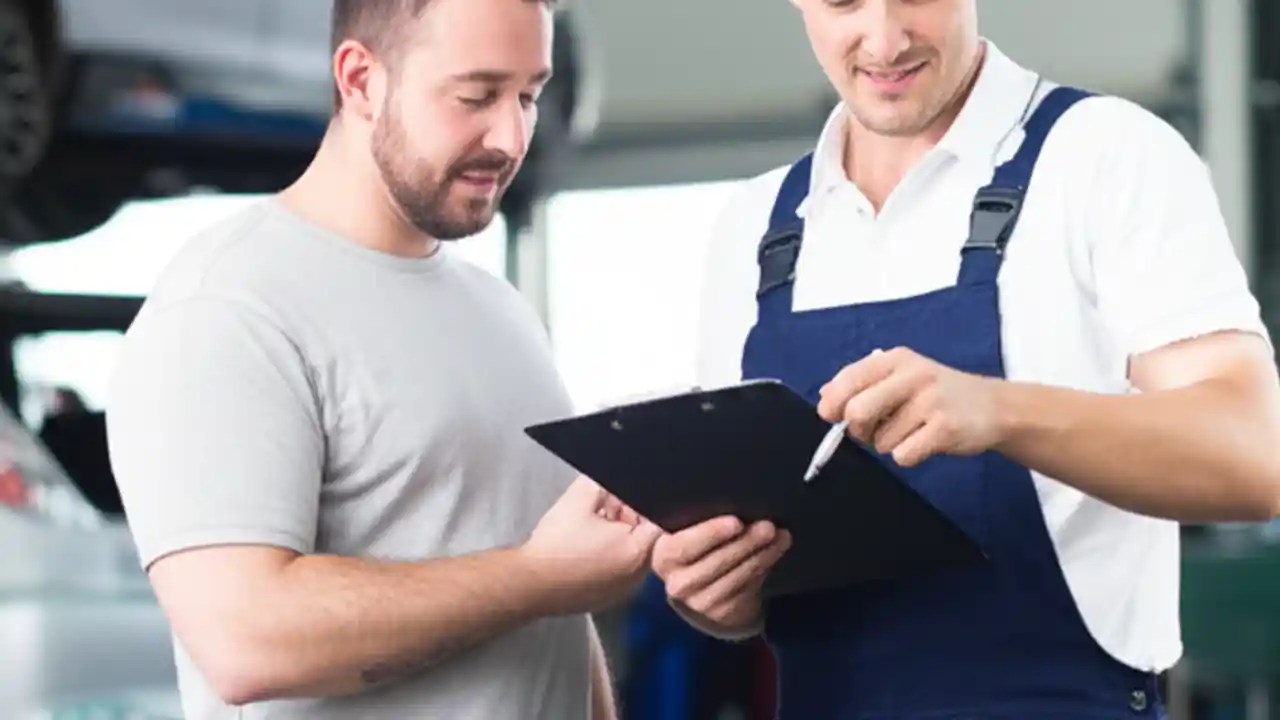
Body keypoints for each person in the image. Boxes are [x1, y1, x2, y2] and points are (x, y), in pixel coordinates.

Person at [650, 0, 1280, 717]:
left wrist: (999, 410)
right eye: (843, 2)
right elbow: (750, 590)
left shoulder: (1108, 158)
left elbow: (1255, 457)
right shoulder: (752, 232)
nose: (885, 40)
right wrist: (718, 596)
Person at [105, 1, 659, 718]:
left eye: (529, 94)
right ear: (360, 79)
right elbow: (247, 642)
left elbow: (560, 610)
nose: (512, 135)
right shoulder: (228, 308)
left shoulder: (500, 310)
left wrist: (558, 584)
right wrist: (537, 577)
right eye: (476, 96)